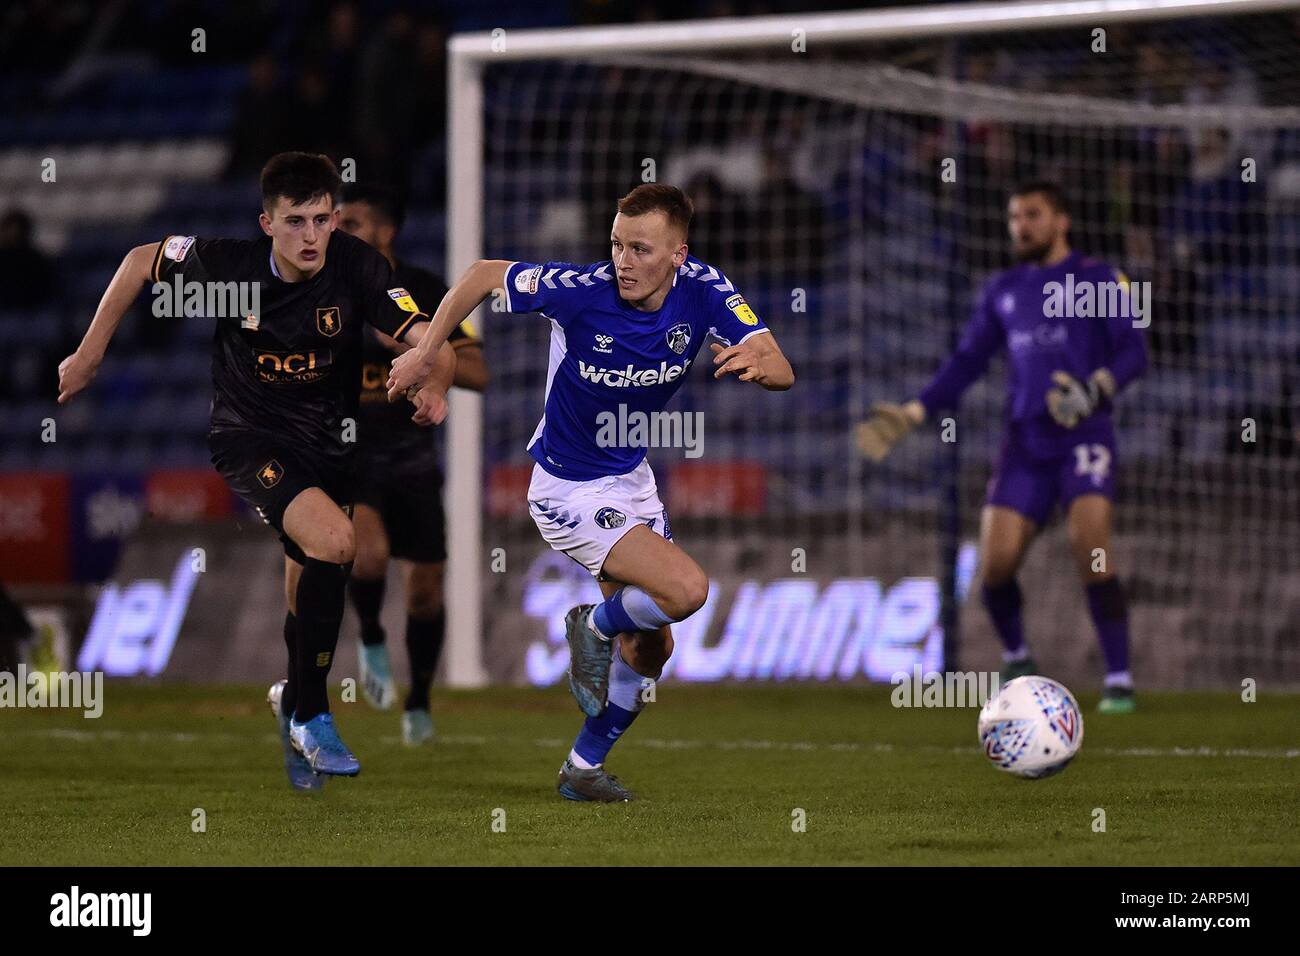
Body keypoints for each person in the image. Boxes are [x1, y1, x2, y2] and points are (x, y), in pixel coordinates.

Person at [56, 152, 456, 788]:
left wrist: (434, 378)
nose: (310, 236)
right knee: (337, 542)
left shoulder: (358, 267)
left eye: (322, 220)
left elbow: (428, 334)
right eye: (295, 221)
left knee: (306, 587)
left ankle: (290, 699)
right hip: (248, 437)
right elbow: (139, 262)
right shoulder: (230, 268)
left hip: (330, 447)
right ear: (266, 223)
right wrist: (87, 354)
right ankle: (312, 715)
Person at [386, 183, 795, 801]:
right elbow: (480, 274)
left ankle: (581, 769)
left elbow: (781, 366)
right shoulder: (580, 292)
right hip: (568, 488)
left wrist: (766, 370)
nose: (623, 262)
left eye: (640, 249)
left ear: (678, 254)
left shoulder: (706, 290)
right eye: (616, 245)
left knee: (653, 648)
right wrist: (427, 352)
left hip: (632, 480)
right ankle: (593, 624)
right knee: (686, 591)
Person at [856, 181, 1148, 713]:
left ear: (1062, 221)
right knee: (995, 567)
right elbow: (967, 361)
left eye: (1032, 214)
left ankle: (1121, 679)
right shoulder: (1002, 289)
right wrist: (916, 410)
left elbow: (1134, 351)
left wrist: (1094, 389)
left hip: (1084, 435)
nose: (1021, 226)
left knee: (1092, 552)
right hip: (1025, 443)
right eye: (1014, 217)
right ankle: (1017, 656)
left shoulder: (1099, 278)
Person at [338, 184, 488, 745]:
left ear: (386, 230)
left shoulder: (424, 292)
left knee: (426, 590)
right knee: (368, 553)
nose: (335, 233)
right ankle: (372, 635)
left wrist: (420, 355)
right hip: (351, 457)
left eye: (350, 223)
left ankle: (420, 698)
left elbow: (478, 371)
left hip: (414, 460)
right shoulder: (325, 287)